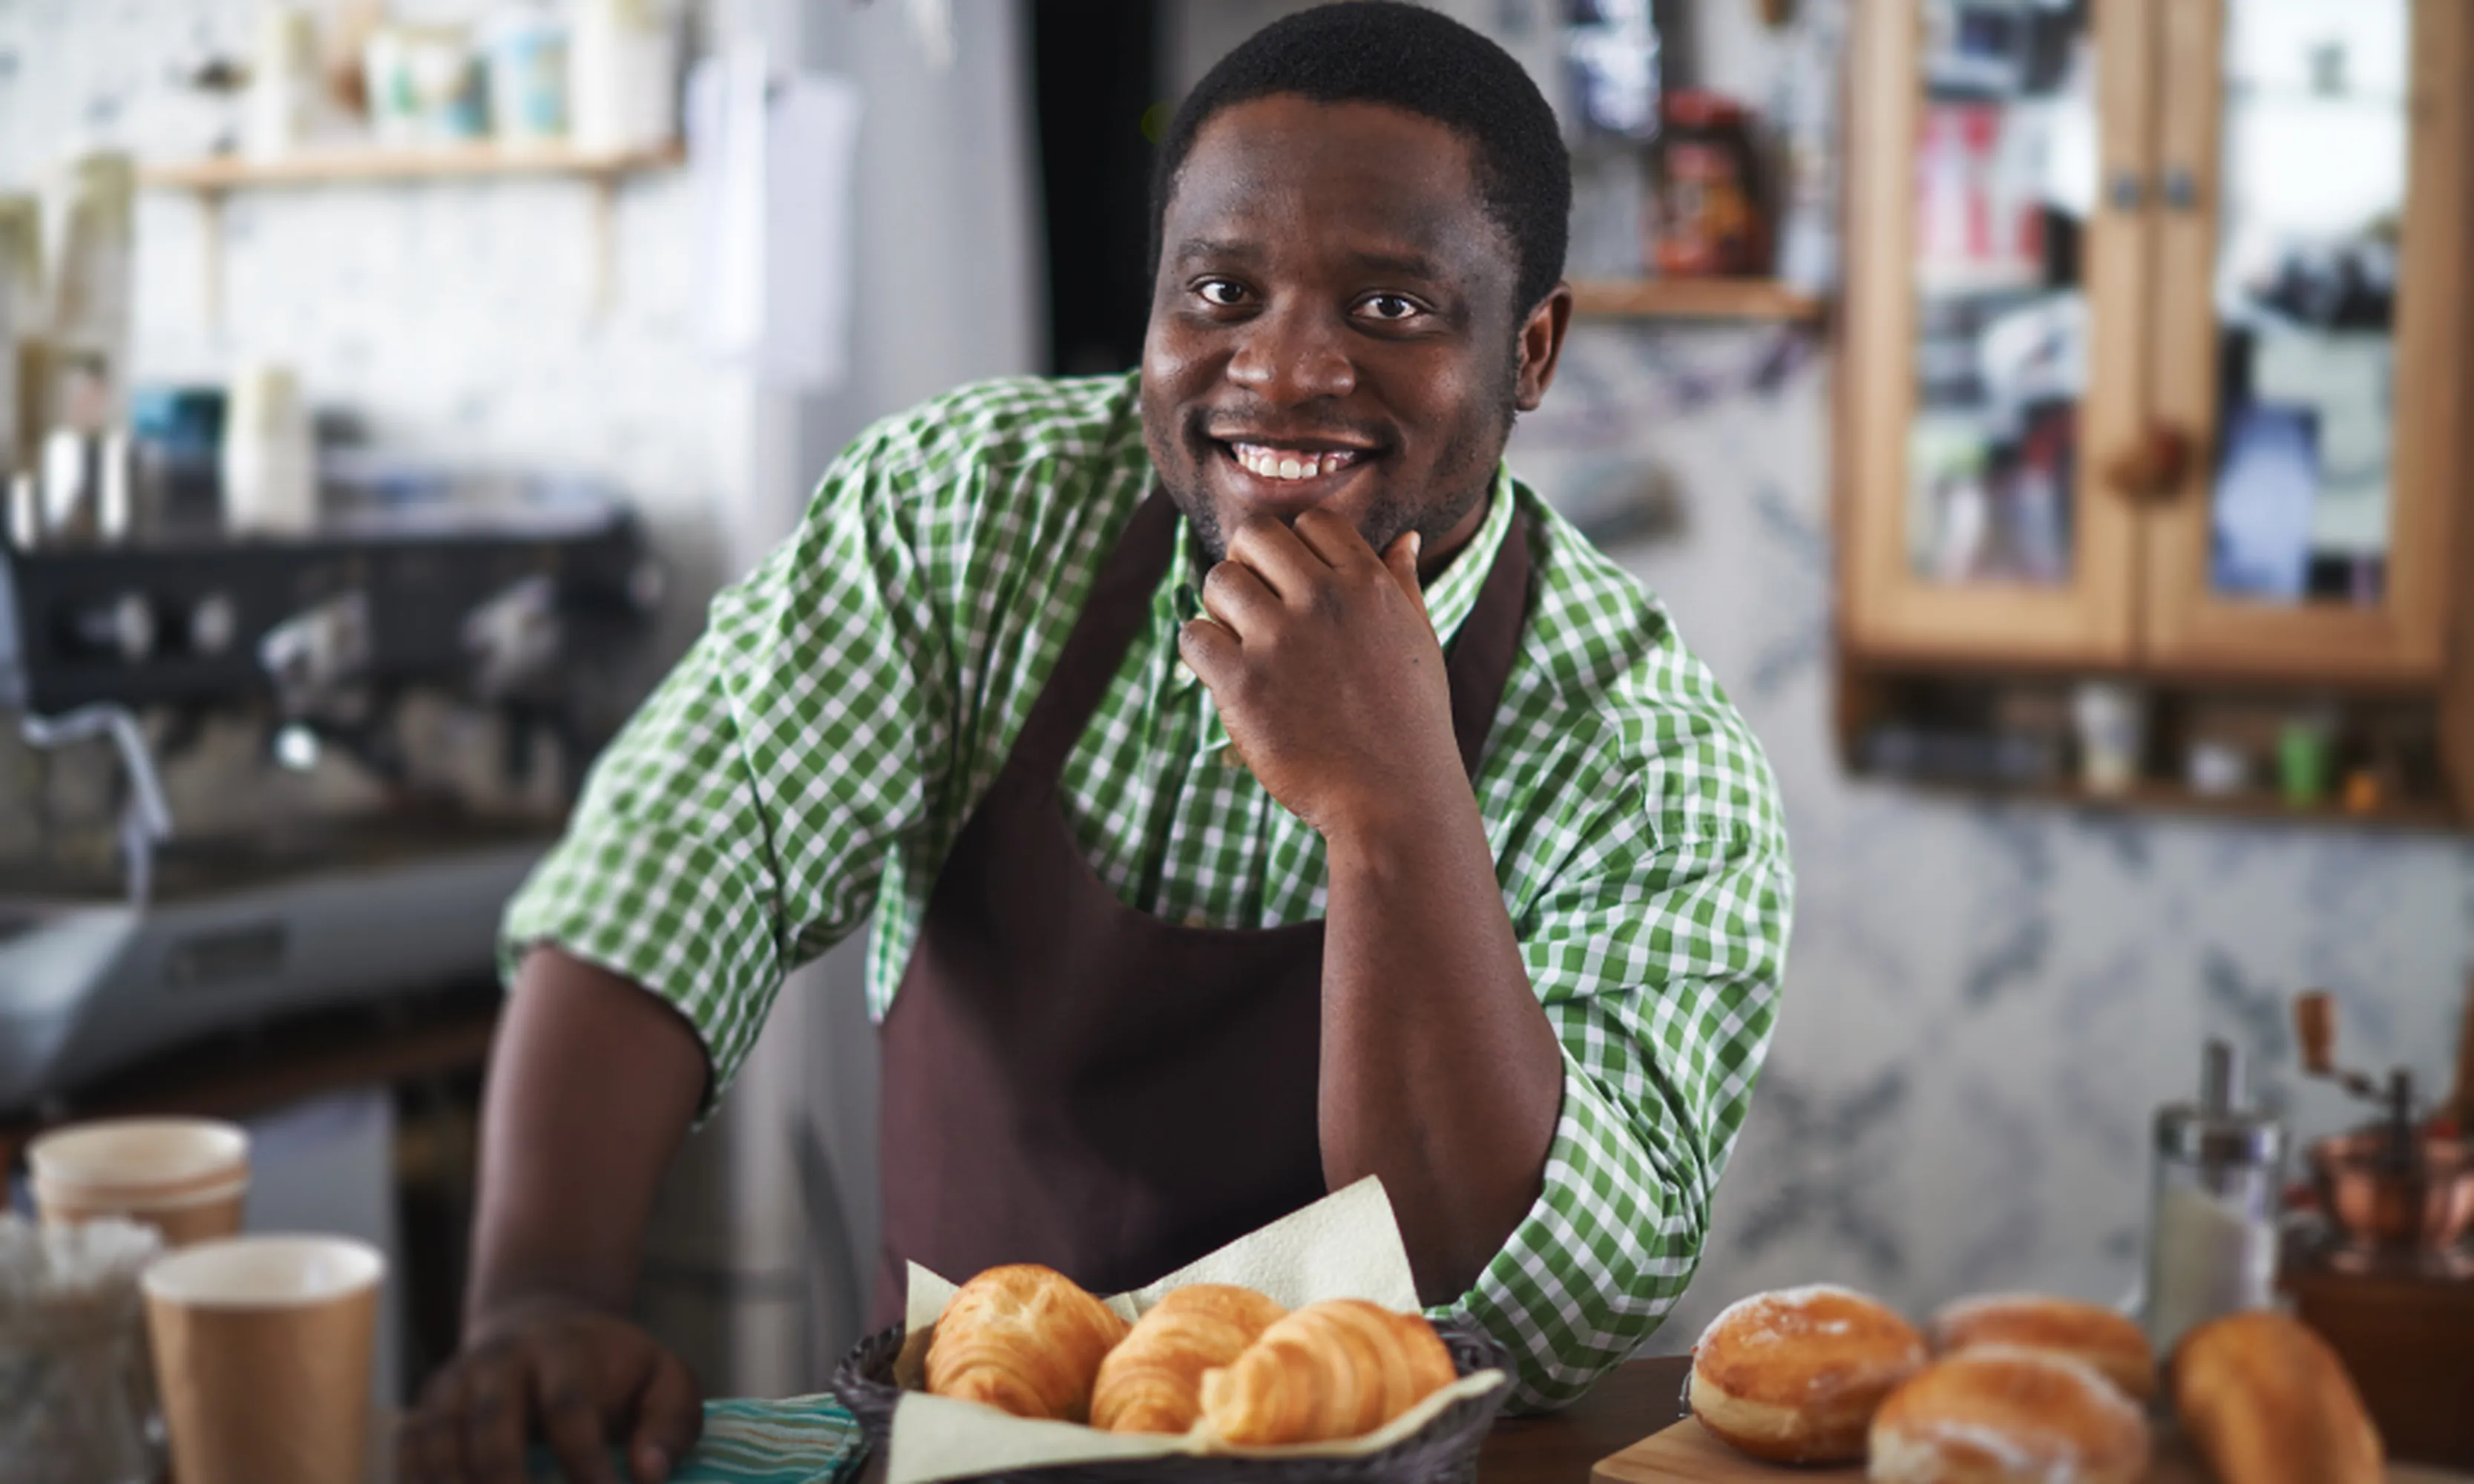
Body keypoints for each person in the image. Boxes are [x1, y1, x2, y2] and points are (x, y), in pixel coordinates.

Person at [398, 5, 1791, 1481]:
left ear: (1529, 347)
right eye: (1221, 290)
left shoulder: (1647, 757)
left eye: (1388, 307)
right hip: (944, 1456)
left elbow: (1541, 1310)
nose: (1285, 367)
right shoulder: (965, 513)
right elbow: (677, 871)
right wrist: (540, 1295)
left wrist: (1393, 805)